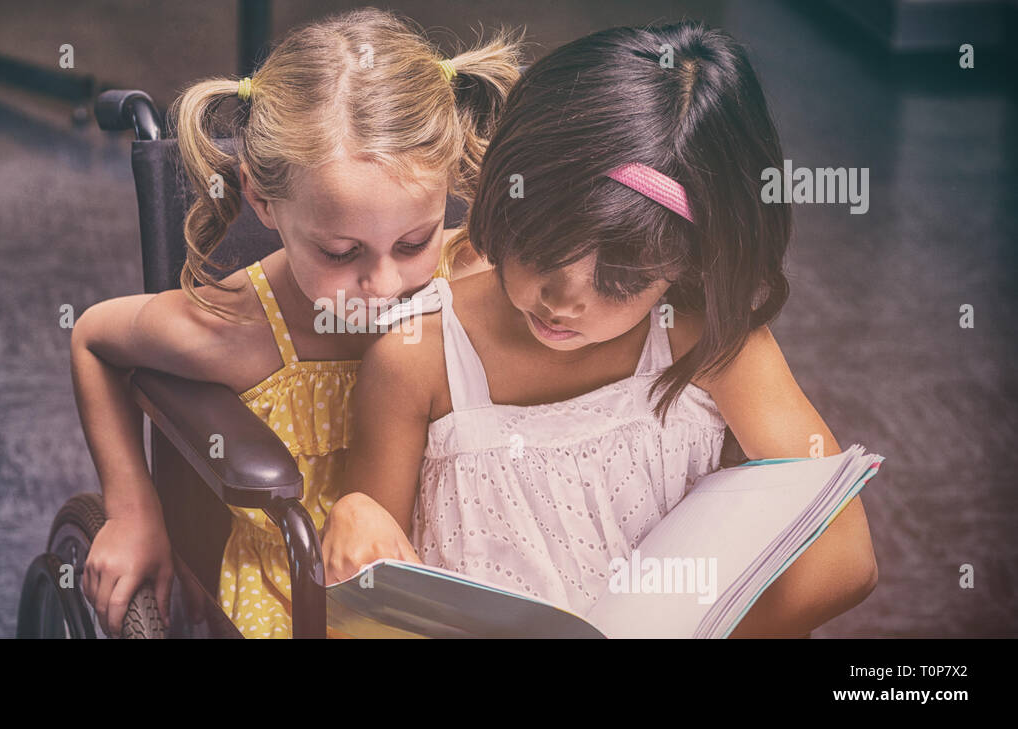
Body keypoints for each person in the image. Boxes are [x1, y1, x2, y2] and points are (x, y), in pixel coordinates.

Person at [323, 21, 878, 637]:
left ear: (687, 262)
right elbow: (370, 598)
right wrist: (353, 514)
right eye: (542, 250)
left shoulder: (709, 341)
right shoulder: (418, 356)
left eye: (619, 281)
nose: (563, 302)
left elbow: (846, 558)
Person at [71, 7, 522, 637]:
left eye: (414, 242)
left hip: (453, 573)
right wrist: (133, 511)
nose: (384, 285)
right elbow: (93, 338)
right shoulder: (235, 327)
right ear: (261, 199)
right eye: (341, 253)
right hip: (297, 594)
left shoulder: (475, 272)